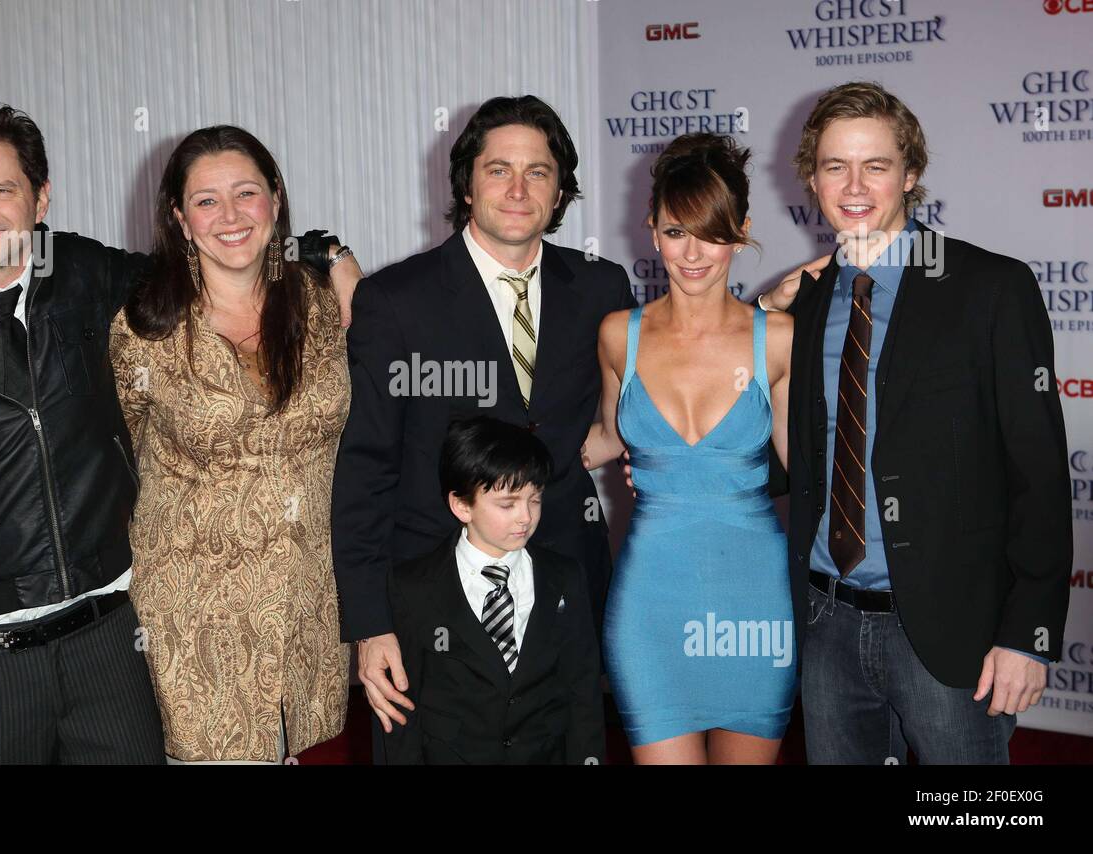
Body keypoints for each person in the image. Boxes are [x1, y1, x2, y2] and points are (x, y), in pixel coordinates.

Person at [0, 102, 353, 764]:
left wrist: (320, 251)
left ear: (40, 198)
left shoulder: (87, 280)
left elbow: (211, 252)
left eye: (3, 189)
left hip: (109, 648)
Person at [758, 81, 1071, 764]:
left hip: (950, 630)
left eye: (876, 165)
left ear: (912, 174)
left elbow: (1041, 476)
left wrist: (1028, 636)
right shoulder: (800, 309)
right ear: (812, 177)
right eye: (835, 165)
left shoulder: (990, 287)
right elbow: (787, 465)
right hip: (825, 621)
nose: (854, 184)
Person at [331, 95, 635, 760]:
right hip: (430, 602)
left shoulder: (601, 289)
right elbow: (364, 466)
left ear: (561, 191)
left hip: (561, 592)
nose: (519, 189)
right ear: (467, 183)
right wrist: (370, 625)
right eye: (499, 170)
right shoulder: (395, 301)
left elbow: (657, 386)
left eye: (539, 172)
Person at [110, 126, 356, 763]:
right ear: (180, 219)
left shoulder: (327, 303)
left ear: (275, 199)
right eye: (206, 201)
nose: (230, 215)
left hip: (307, 606)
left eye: (246, 193)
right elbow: (108, 464)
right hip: (188, 620)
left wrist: (337, 256)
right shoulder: (144, 329)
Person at [584, 134, 795, 764]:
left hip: (754, 600)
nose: (694, 253)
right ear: (652, 231)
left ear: (742, 232)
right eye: (677, 231)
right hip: (652, 601)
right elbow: (602, 438)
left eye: (712, 232)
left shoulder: (778, 339)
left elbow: (808, 469)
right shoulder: (620, 334)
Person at [385, 416, 605, 764]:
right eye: (508, 504)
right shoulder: (413, 587)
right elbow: (400, 712)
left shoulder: (564, 577)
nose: (525, 517)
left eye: (535, 500)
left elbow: (584, 694)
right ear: (461, 505)